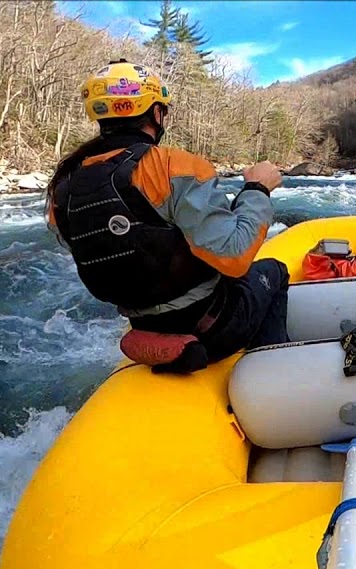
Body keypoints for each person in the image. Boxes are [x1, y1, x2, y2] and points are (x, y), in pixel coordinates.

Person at [46, 59, 289, 374]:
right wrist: (257, 188)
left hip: (144, 322)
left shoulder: (64, 187)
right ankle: (275, 372)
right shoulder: (173, 166)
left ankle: (160, 342)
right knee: (276, 270)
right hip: (214, 327)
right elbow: (234, 256)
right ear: (156, 113)